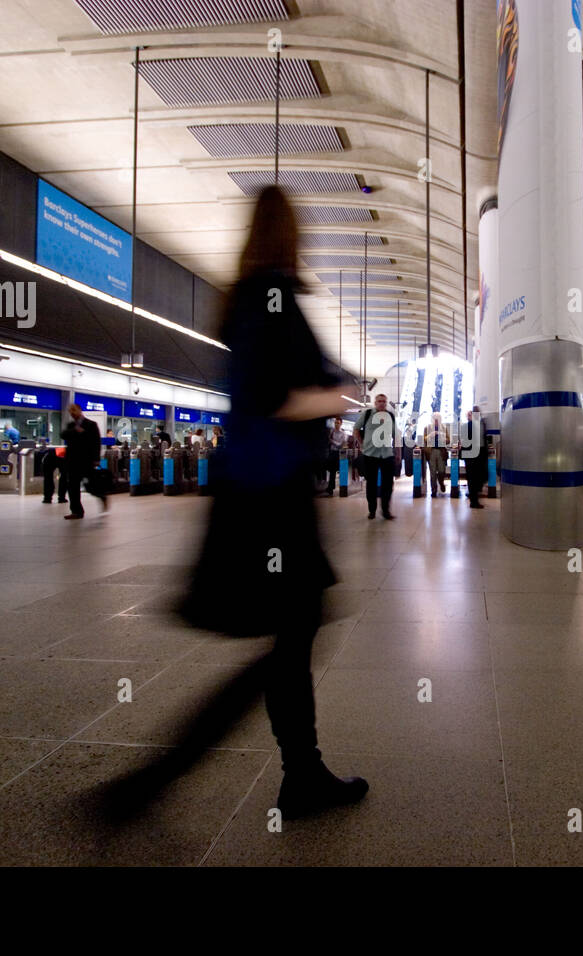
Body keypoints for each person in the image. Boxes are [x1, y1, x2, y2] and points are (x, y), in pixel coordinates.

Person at [179, 184, 366, 820]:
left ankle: (301, 771)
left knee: (290, 637)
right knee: (289, 639)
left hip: (255, 493)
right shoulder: (275, 296)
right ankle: (168, 770)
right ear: (290, 232)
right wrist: (337, 399)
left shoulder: (251, 298)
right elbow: (278, 397)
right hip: (275, 500)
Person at [61, 403, 107, 519]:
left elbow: (96, 442)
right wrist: (75, 431)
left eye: (74, 410)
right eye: (70, 411)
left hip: (86, 460)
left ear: (80, 411)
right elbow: (63, 435)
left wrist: (96, 459)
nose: (72, 413)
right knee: (72, 486)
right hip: (72, 461)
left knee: (90, 485)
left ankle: (101, 495)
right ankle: (76, 511)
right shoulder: (71, 425)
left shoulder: (91, 425)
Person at [355, 394, 397, 520]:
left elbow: (395, 434)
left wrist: (398, 453)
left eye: (384, 401)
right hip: (370, 454)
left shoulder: (390, 416)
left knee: (388, 484)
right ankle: (372, 510)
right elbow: (356, 429)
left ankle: (385, 511)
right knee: (371, 483)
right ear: (375, 402)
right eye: (379, 401)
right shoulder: (367, 414)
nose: (382, 403)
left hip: (387, 454)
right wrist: (362, 444)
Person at [459, 406, 486, 509]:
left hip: (473, 457)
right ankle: (474, 501)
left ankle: (473, 496)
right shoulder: (473, 425)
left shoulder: (477, 425)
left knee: (473, 478)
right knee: (473, 478)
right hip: (472, 457)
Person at [421, 412, 449, 497]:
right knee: (432, 472)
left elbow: (448, 440)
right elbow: (424, 439)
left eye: (438, 419)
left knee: (441, 470)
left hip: (441, 451)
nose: (436, 421)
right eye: (435, 419)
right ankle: (434, 489)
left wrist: (443, 436)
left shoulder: (444, 427)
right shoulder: (427, 427)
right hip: (431, 451)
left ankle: (441, 482)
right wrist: (430, 435)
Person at [323, 419, 343, 496]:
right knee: (331, 471)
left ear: (341, 424)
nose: (336, 424)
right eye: (335, 423)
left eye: (338, 423)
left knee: (333, 471)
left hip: (337, 454)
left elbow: (339, 445)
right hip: (331, 453)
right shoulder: (332, 432)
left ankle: (331, 487)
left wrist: (331, 441)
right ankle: (330, 487)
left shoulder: (343, 434)